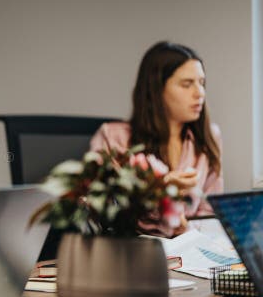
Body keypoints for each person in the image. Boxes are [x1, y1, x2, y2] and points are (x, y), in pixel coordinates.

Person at [90, 41, 223, 237]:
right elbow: (100, 213)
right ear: (157, 89)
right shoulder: (114, 137)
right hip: (133, 251)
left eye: (201, 83)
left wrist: (187, 230)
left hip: (189, 252)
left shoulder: (208, 137)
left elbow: (210, 214)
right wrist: (157, 192)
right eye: (187, 84)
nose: (200, 93)